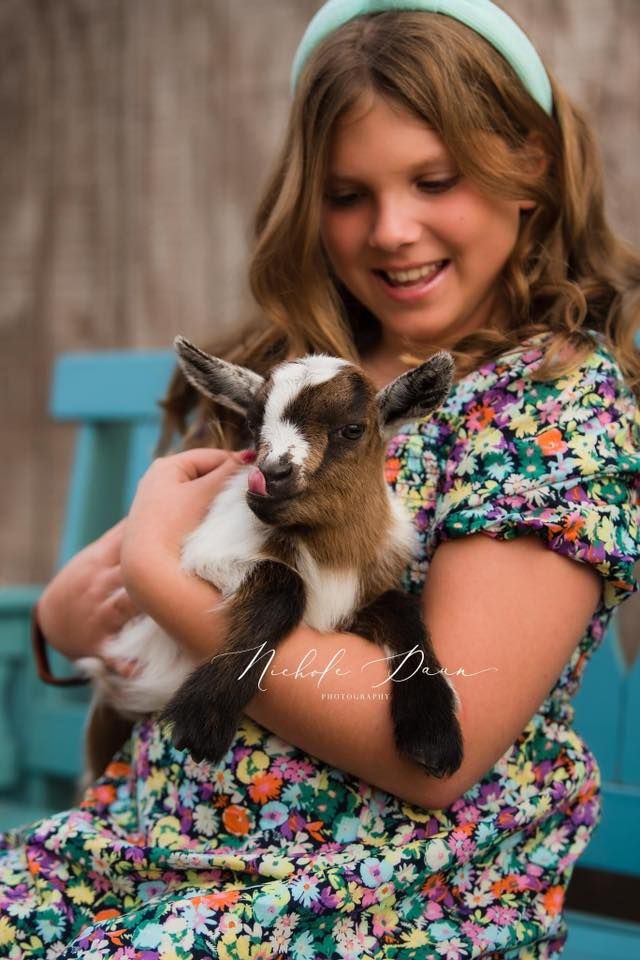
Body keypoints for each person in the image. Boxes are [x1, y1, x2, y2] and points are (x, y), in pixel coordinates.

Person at [2, 1, 639, 956]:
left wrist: (159, 578)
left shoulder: (550, 403)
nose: (392, 229)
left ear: (530, 166)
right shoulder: (291, 378)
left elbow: (428, 753)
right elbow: (155, 583)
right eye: (348, 195)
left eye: (435, 179)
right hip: (154, 853)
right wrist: (63, 622)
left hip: (372, 896)